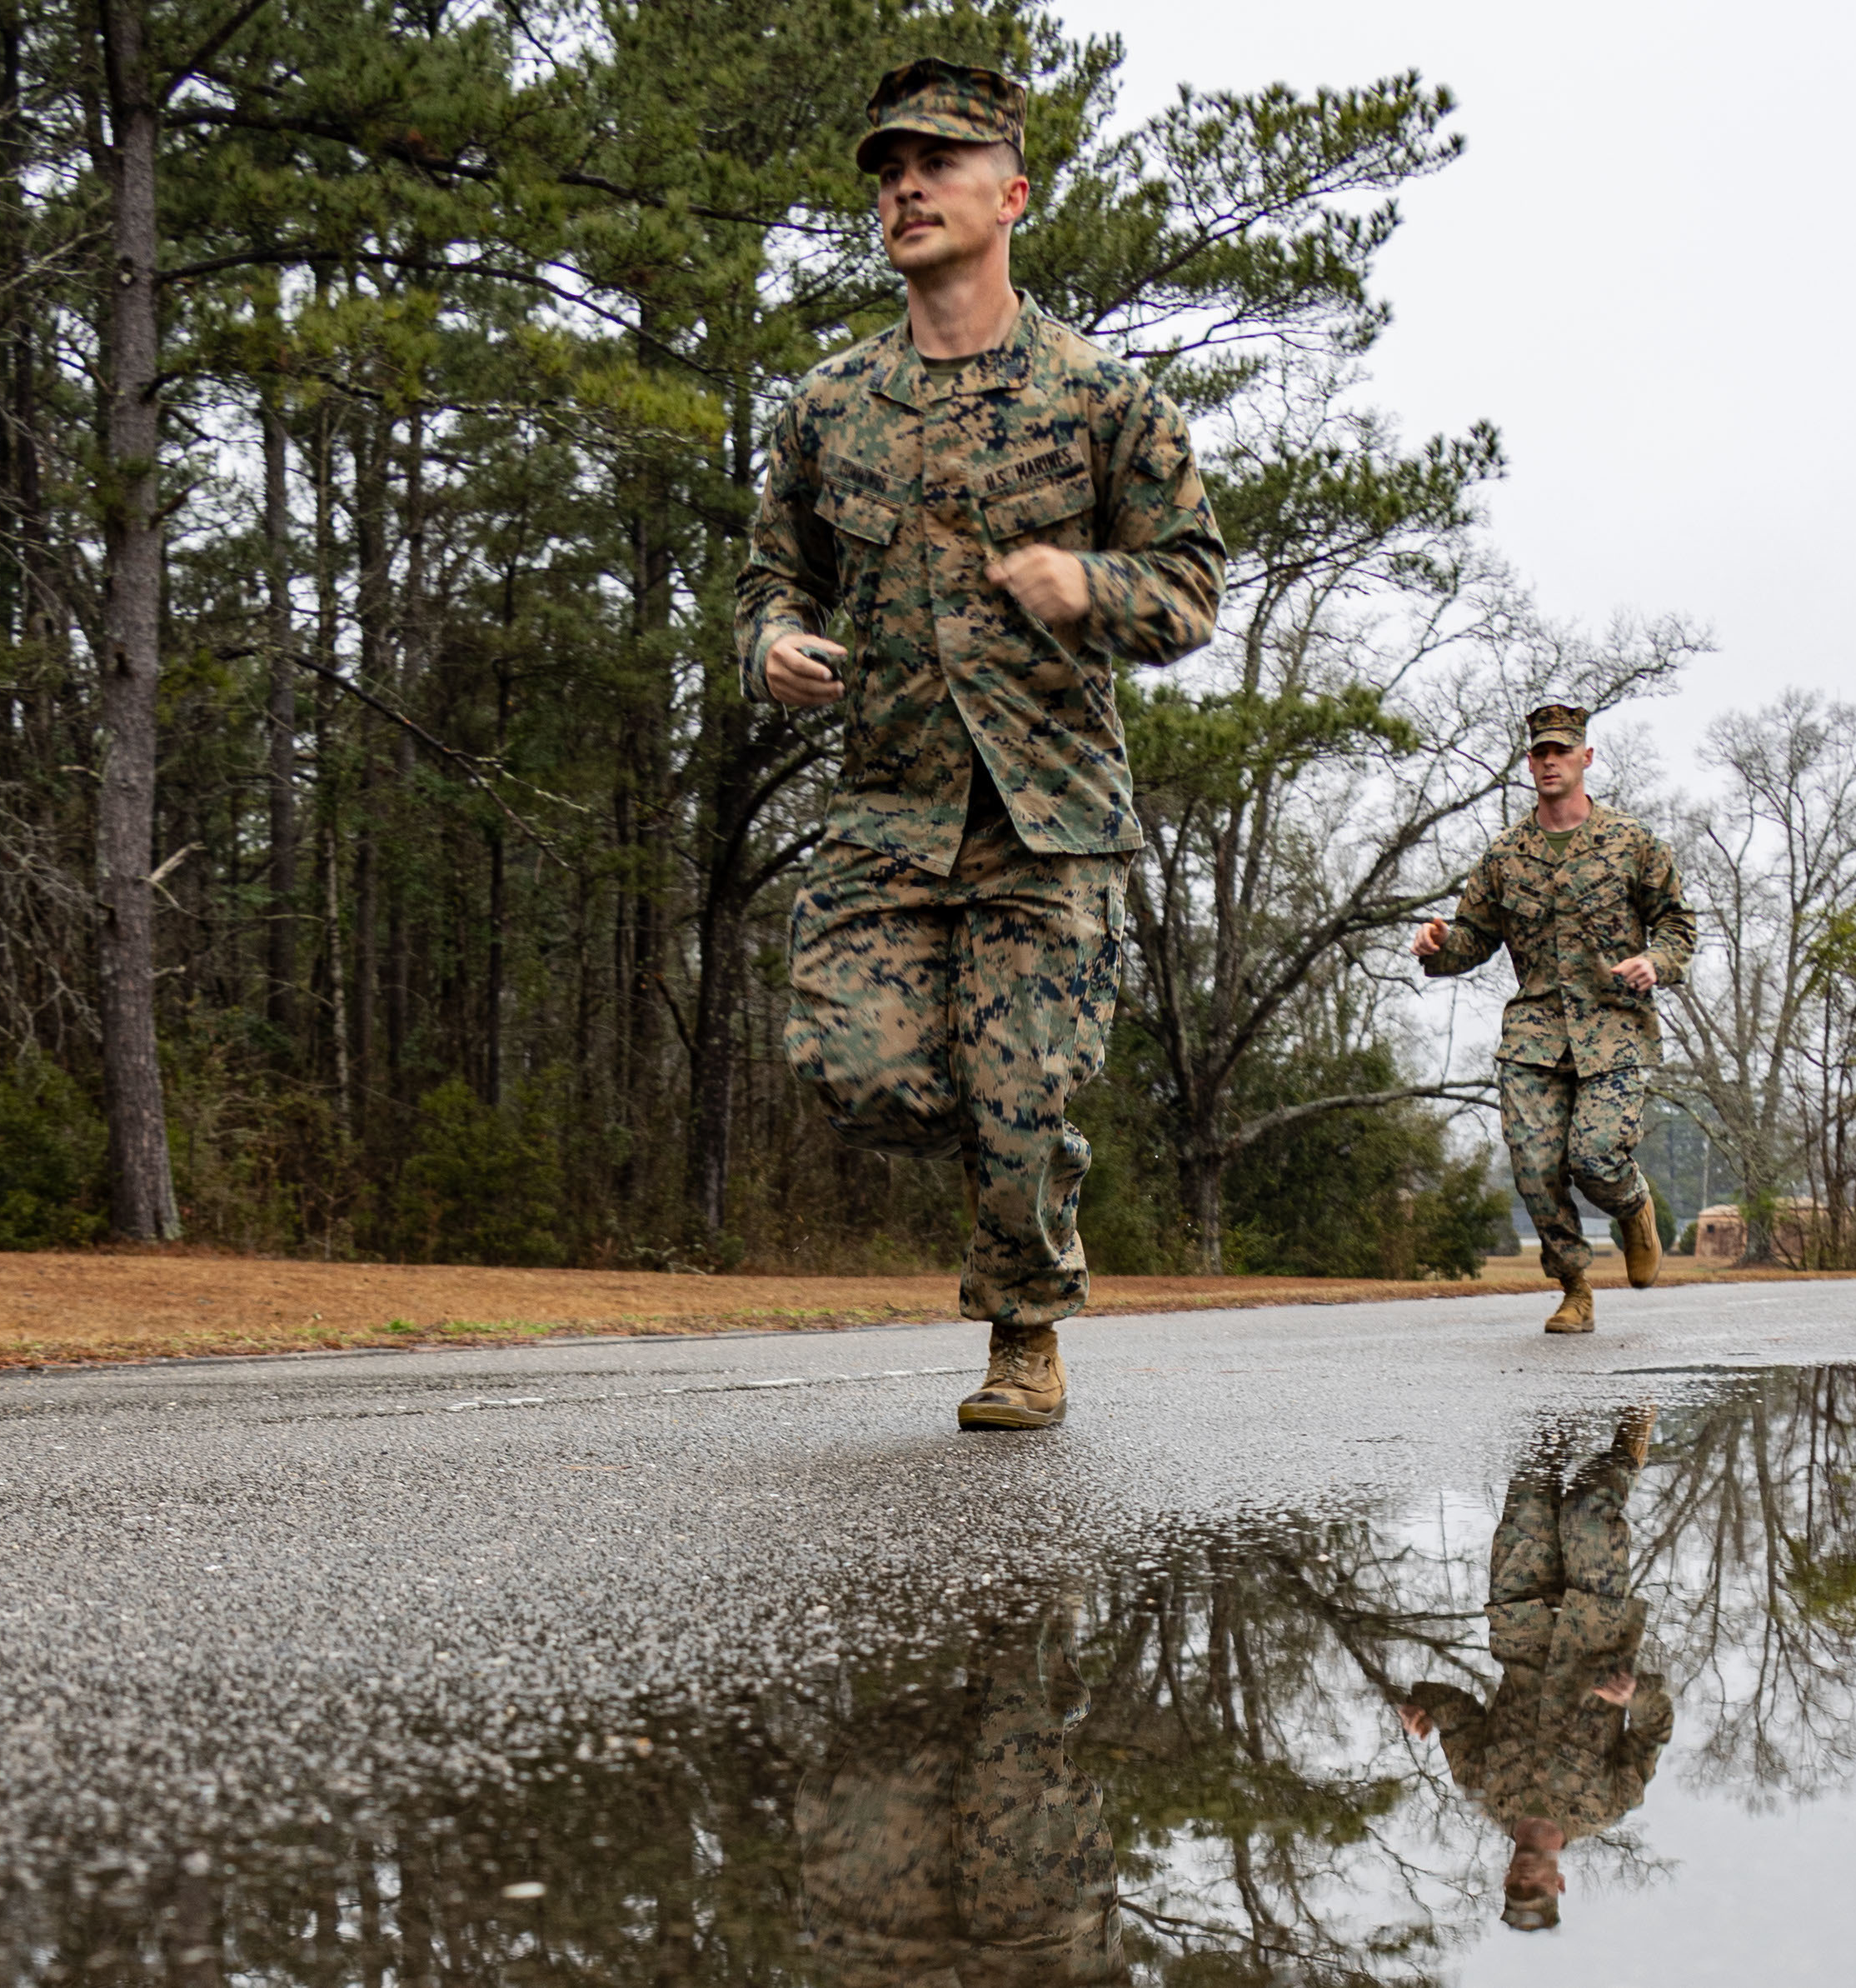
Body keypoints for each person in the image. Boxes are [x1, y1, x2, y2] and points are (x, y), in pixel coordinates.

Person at [736, 59, 1225, 1432]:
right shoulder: (830, 405)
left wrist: (1095, 588)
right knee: (855, 1072)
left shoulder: (1100, 397)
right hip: (887, 809)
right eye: (887, 169)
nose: (903, 187)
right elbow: (768, 573)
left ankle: (1023, 1331)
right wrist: (769, 646)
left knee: (1017, 1103)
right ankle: (1019, 1132)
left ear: (1008, 194)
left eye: (935, 165)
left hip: (1049, 816)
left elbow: (1189, 581)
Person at [1413, 706, 1697, 1334]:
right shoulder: (1506, 856)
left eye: (1560, 752)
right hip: (1535, 1036)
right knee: (1536, 1169)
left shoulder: (1630, 841)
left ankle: (1633, 1208)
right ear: (1528, 763)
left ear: (1584, 759)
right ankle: (1574, 1289)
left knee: (1594, 1159)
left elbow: (1678, 922)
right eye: (1539, 753)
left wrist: (1657, 960)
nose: (1548, 762)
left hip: (1615, 1029)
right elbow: (1473, 937)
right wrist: (1438, 948)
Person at [1396, 1409, 1672, 1931]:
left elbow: (1458, 1713)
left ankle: (1559, 1391)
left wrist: (1422, 1709)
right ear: (1558, 1884)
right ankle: (1632, 1430)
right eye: (1536, 1889)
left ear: (1504, 1878)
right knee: (1589, 1512)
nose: (1526, 1879)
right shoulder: (1605, 1806)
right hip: (1596, 1625)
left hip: (1521, 1619)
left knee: (1531, 1484)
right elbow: (1656, 1727)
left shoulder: (1485, 1791)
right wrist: (1634, 1696)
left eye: (1515, 1887)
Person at [794, 1601, 1125, 1982]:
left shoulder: (1059, 1963)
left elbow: (1012, 1794)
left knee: (1026, 1740)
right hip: (853, 1825)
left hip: (896, 1803)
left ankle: (1027, 1590)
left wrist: (1034, 1600)